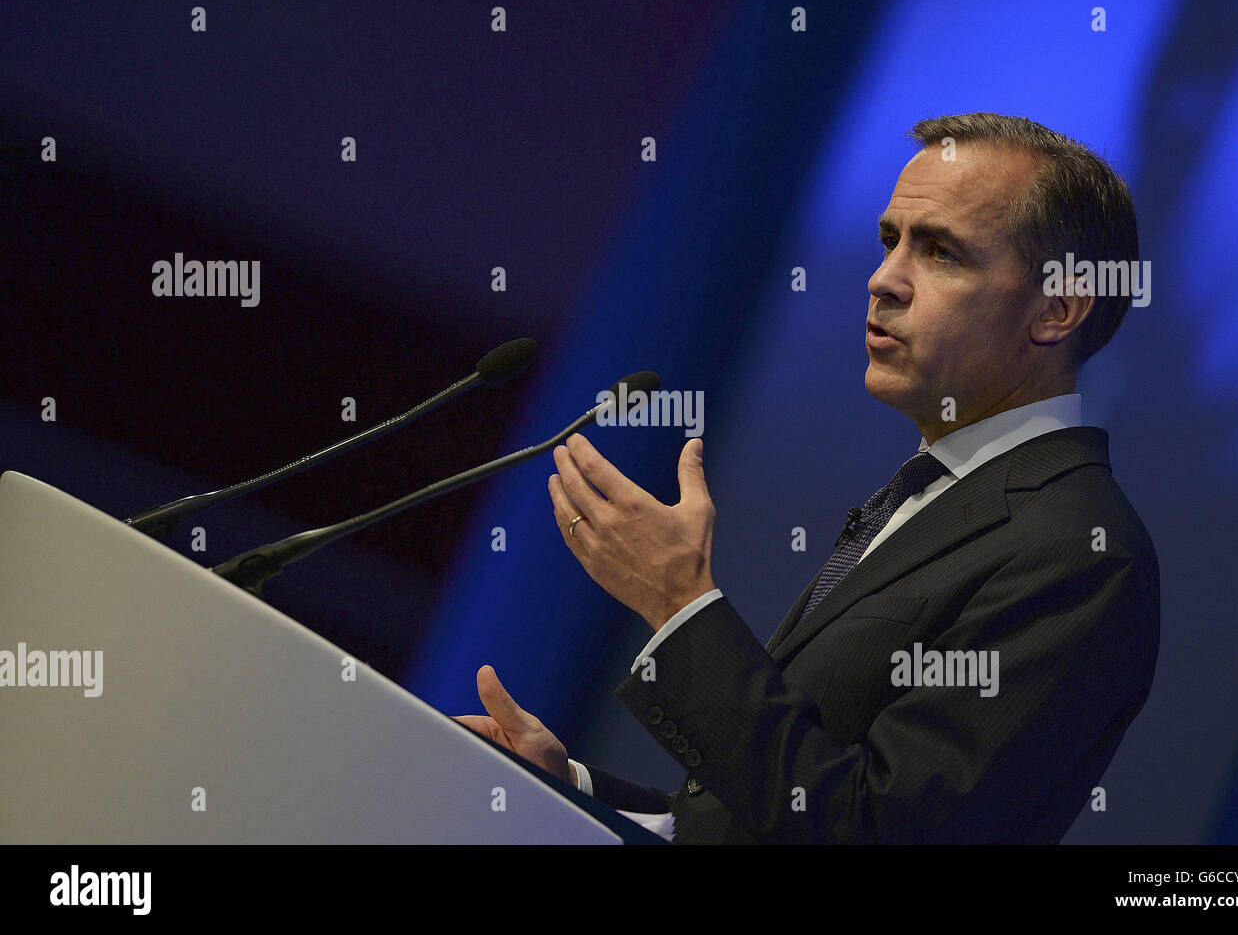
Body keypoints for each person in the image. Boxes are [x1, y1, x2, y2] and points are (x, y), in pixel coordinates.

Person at [454, 112, 1160, 844]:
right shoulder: (933, 491)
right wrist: (569, 783)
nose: (883, 279)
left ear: (1057, 310)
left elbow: (875, 832)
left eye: (942, 252)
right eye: (891, 240)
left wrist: (679, 604)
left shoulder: (1081, 552)